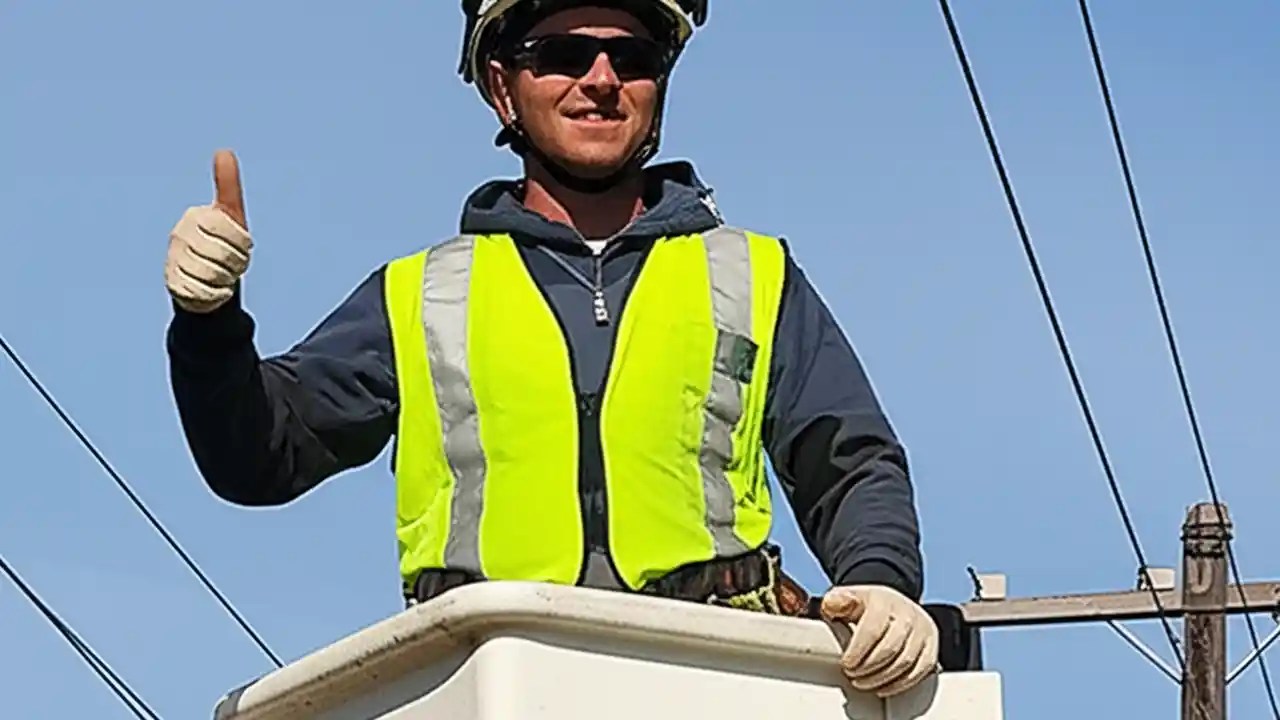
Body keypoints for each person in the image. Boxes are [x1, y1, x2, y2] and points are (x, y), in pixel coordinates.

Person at [163, 0, 939, 699]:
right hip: (491, 680)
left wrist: (881, 583)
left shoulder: (752, 276)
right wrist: (210, 323)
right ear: (503, 84)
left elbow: (850, 460)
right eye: (563, 54)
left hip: (712, 679)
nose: (600, 79)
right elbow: (258, 456)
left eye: (631, 59)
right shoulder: (424, 295)